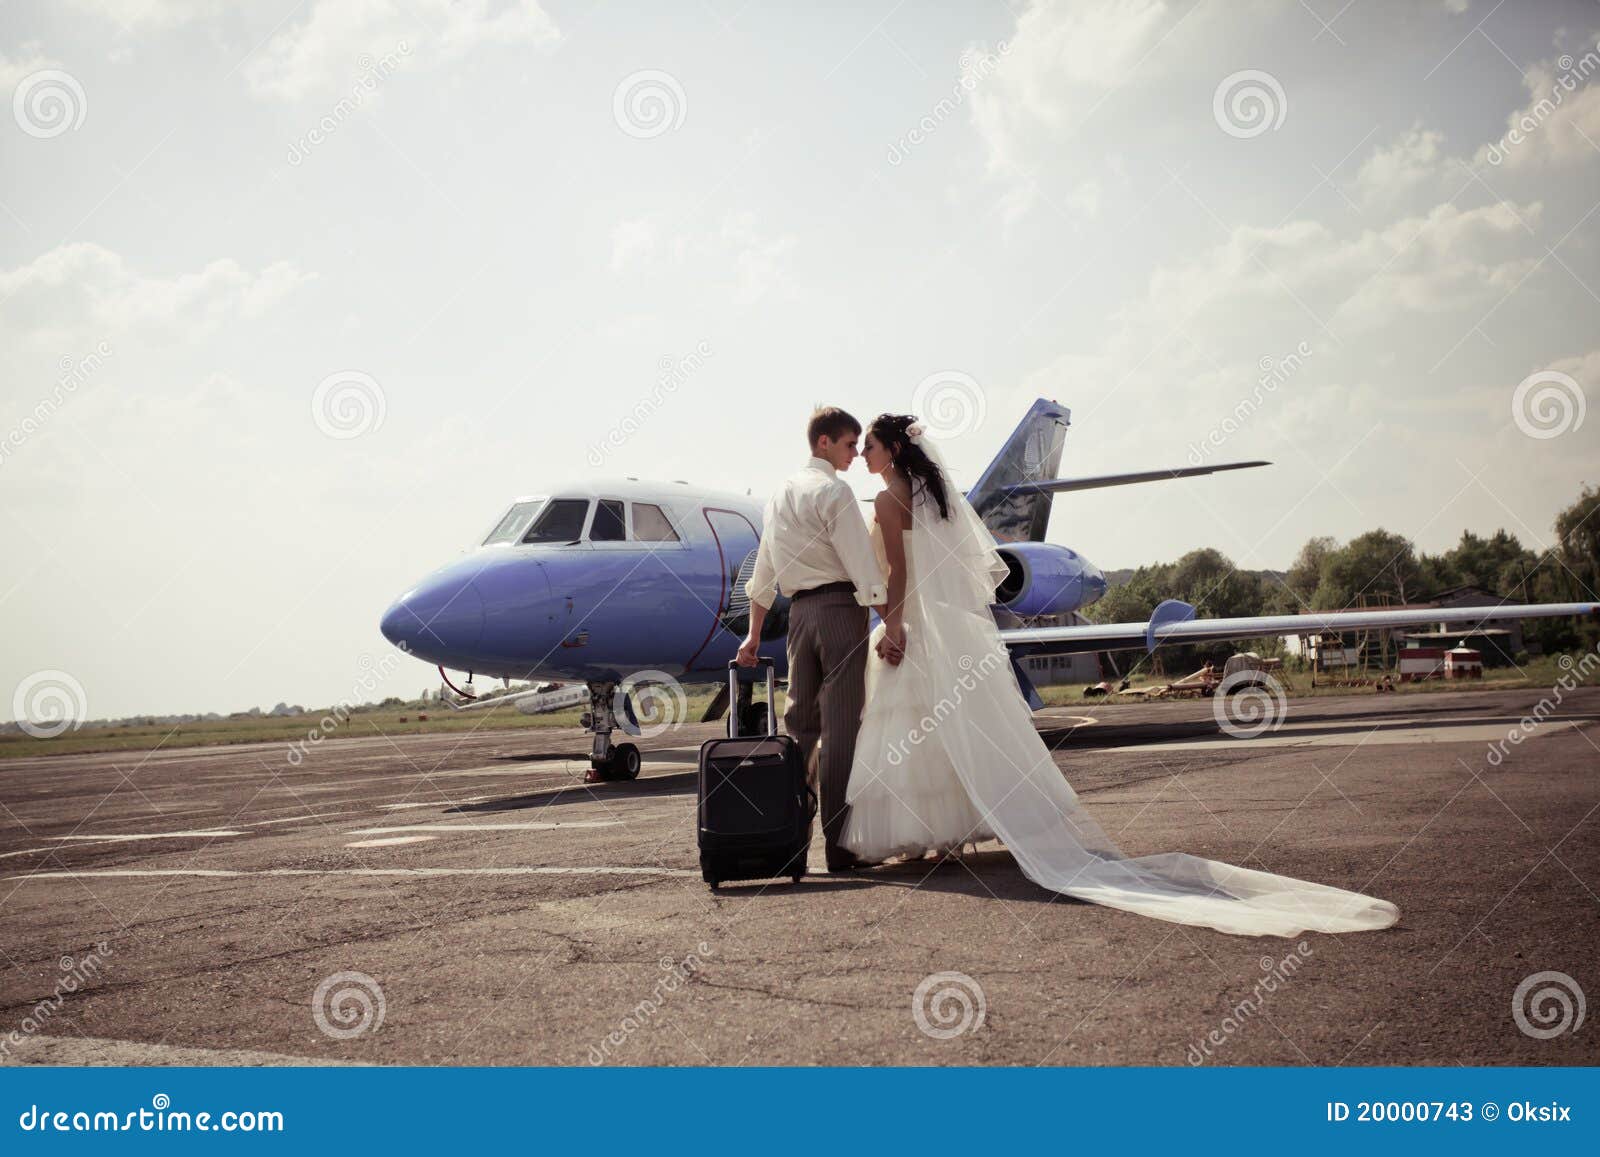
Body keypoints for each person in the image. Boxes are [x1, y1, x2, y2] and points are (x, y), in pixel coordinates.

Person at [838, 412, 1400, 938]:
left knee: (915, 724)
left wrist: (894, 625)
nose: (864, 453)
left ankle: (924, 836)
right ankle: (956, 832)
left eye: (869, 445)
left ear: (892, 450)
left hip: (914, 622)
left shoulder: (889, 503)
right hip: (957, 631)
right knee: (970, 724)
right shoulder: (937, 499)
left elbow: (901, 570)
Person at [736, 406, 892, 872]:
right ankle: (841, 845)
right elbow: (862, 566)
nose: (854, 454)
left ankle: (792, 840)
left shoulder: (779, 496)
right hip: (840, 610)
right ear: (824, 442)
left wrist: (753, 635)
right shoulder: (835, 492)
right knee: (842, 726)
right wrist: (892, 624)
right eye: (849, 444)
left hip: (798, 616)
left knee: (800, 726)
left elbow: (763, 572)